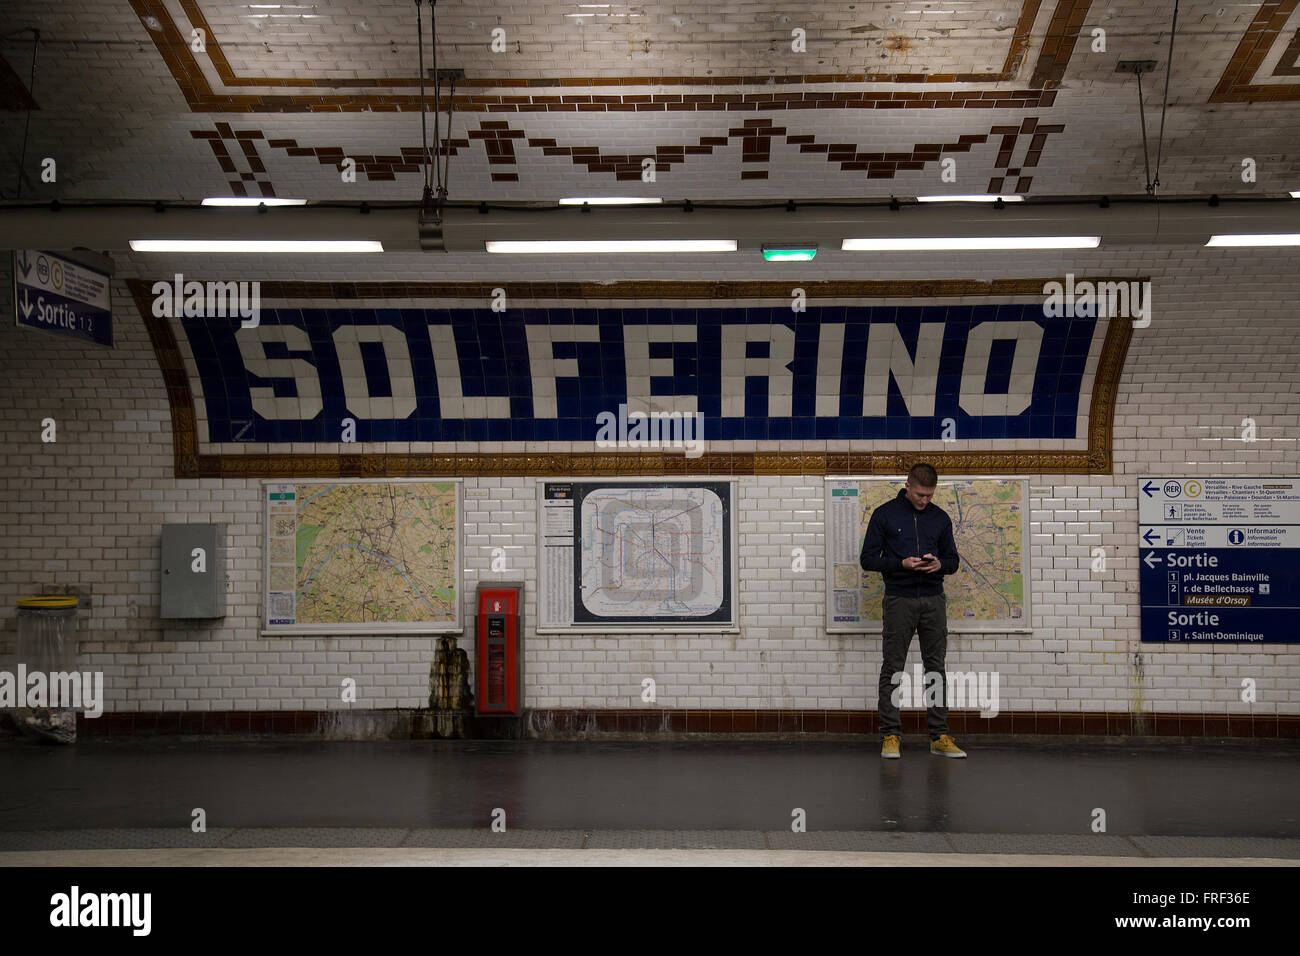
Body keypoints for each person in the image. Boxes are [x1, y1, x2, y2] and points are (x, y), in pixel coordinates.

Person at [859, 463, 966, 759]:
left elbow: (953, 561)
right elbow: (867, 559)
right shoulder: (884, 515)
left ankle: (939, 736)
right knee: (893, 668)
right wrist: (900, 563)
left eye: (929, 496)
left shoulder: (939, 518)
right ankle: (891, 735)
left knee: (936, 669)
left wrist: (939, 564)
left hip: (934, 599)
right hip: (899, 599)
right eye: (920, 494)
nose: (924, 501)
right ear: (907, 485)